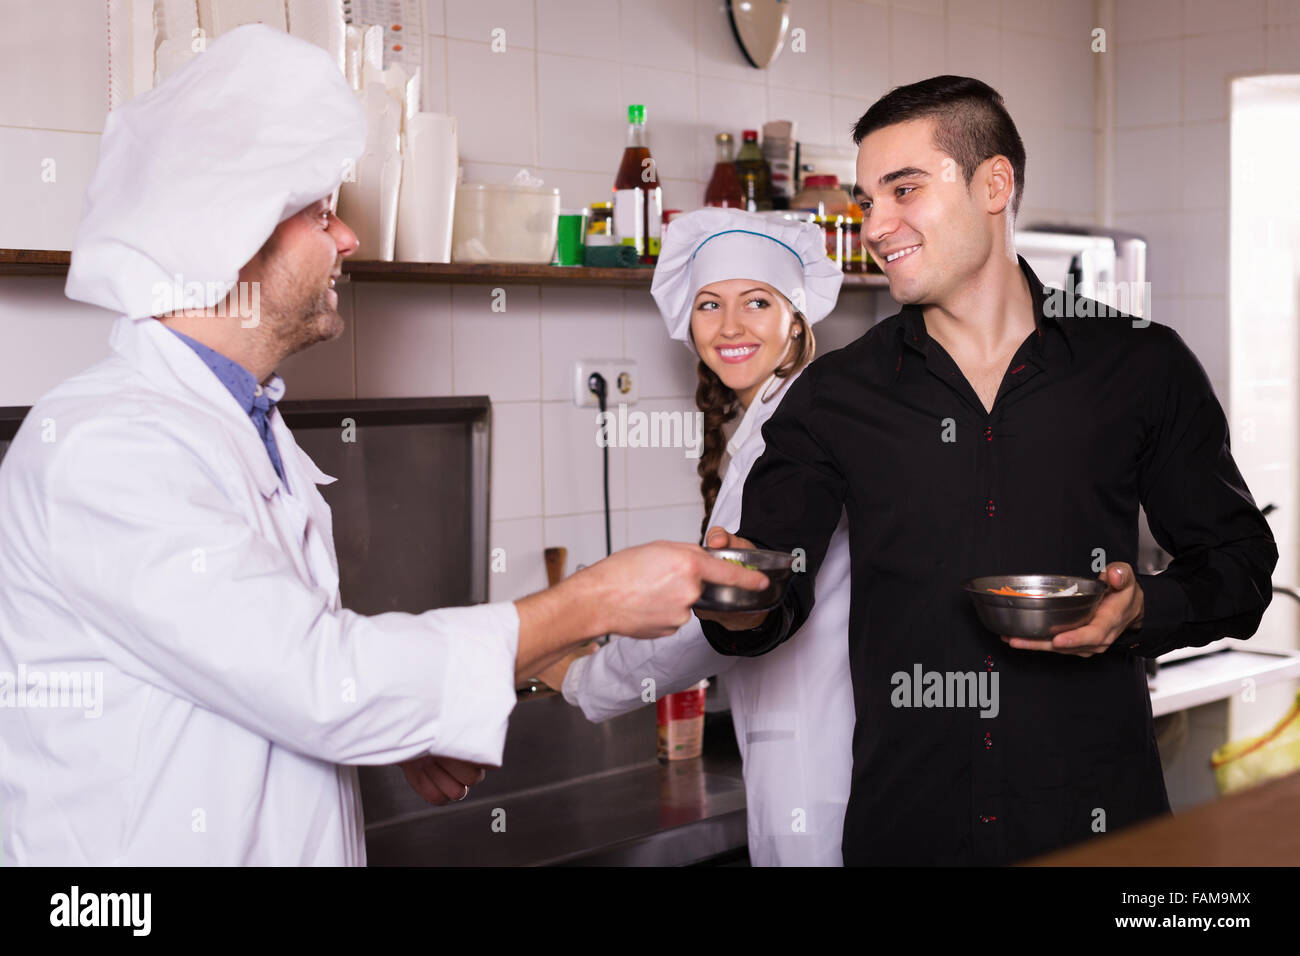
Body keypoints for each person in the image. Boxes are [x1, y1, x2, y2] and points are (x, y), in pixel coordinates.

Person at [0, 25, 767, 866]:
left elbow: (273, 665)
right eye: (324, 215)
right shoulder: (106, 446)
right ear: (233, 232)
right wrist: (590, 603)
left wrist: (398, 720)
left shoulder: (240, 425)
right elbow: (313, 674)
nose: (349, 240)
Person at [699, 75, 1279, 866]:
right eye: (868, 201)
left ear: (993, 183)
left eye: (904, 190)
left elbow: (1241, 568)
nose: (877, 225)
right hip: (908, 834)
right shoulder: (832, 396)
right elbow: (772, 592)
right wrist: (734, 598)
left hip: (1099, 827)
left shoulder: (1142, 365)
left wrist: (1142, 610)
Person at [539, 207, 854, 865]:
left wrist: (581, 679)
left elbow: (704, 626)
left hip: (816, 763)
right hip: (808, 745)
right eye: (710, 304)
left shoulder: (794, 443)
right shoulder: (775, 428)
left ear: (795, 318)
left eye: (757, 302)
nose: (731, 326)